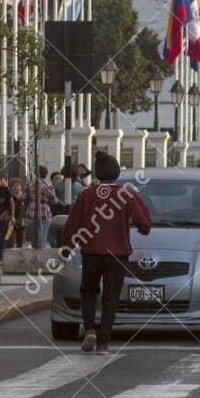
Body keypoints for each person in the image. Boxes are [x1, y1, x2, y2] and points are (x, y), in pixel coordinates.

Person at [61, 151, 151, 355]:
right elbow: (145, 223)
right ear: (117, 172)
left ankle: (90, 328)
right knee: (111, 297)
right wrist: (139, 227)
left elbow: (72, 224)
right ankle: (103, 343)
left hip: (91, 253)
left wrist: (66, 250)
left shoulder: (86, 194)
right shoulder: (127, 194)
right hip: (118, 255)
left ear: (98, 173)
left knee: (89, 292)